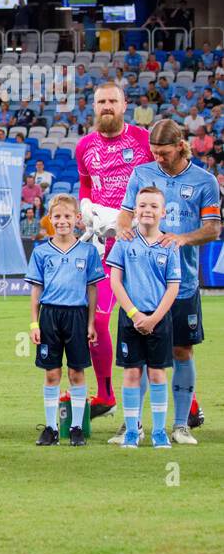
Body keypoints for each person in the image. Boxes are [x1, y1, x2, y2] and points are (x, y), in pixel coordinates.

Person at [117, 119, 220, 443]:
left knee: (182, 353)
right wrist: (123, 229)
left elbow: (213, 228)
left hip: (182, 283)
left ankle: (180, 425)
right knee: (140, 357)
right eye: (154, 153)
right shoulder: (142, 174)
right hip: (141, 286)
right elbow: (124, 212)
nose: (158, 158)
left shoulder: (204, 181)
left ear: (180, 146)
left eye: (163, 153)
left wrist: (182, 239)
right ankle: (132, 425)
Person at [76, 82, 154, 417]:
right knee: (97, 321)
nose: (106, 106)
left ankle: (187, 401)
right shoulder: (84, 146)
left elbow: (160, 180)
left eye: (112, 101)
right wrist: (85, 205)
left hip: (145, 246)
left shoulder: (143, 140)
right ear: (93, 106)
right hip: (106, 250)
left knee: (159, 323)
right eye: (100, 101)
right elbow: (86, 184)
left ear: (125, 105)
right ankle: (106, 396)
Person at [25, 194, 104, 446]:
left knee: (76, 371)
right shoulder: (41, 252)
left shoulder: (88, 251)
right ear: (50, 219)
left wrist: (91, 323)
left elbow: (92, 289)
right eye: (57, 217)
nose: (62, 221)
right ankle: (51, 428)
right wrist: (34, 323)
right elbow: (36, 291)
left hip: (77, 316)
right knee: (52, 373)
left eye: (67, 216)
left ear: (77, 219)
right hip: (50, 315)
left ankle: (77, 427)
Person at [106, 187, 181, 449]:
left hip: (159, 320)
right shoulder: (124, 241)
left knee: (158, 373)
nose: (147, 210)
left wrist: (153, 318)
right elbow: (115, 280)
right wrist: (135, 314)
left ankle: (159, 431)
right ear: (135, 210)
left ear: (163, 211)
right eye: (143, 206)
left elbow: (173, 287)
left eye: (153, 206)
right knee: (131, 373)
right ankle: (132, 431)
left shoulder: (170, 244)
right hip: (130, 318)